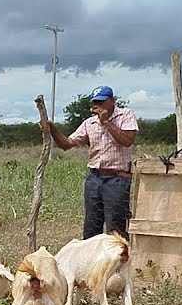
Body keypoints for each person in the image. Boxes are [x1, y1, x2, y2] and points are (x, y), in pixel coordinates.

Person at [44, 85, 138, 239]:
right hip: (95, 178)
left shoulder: (125, 115)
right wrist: (52, 129)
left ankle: (120, 259)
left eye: (101, 102)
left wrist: (106, 122)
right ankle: (91, 259)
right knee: (91, 225)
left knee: (116, 225)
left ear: (112, 101)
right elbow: (66, 144)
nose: (98, 106)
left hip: (117, 178)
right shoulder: (90, 123)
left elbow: (127, 141)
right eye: (95, 102)